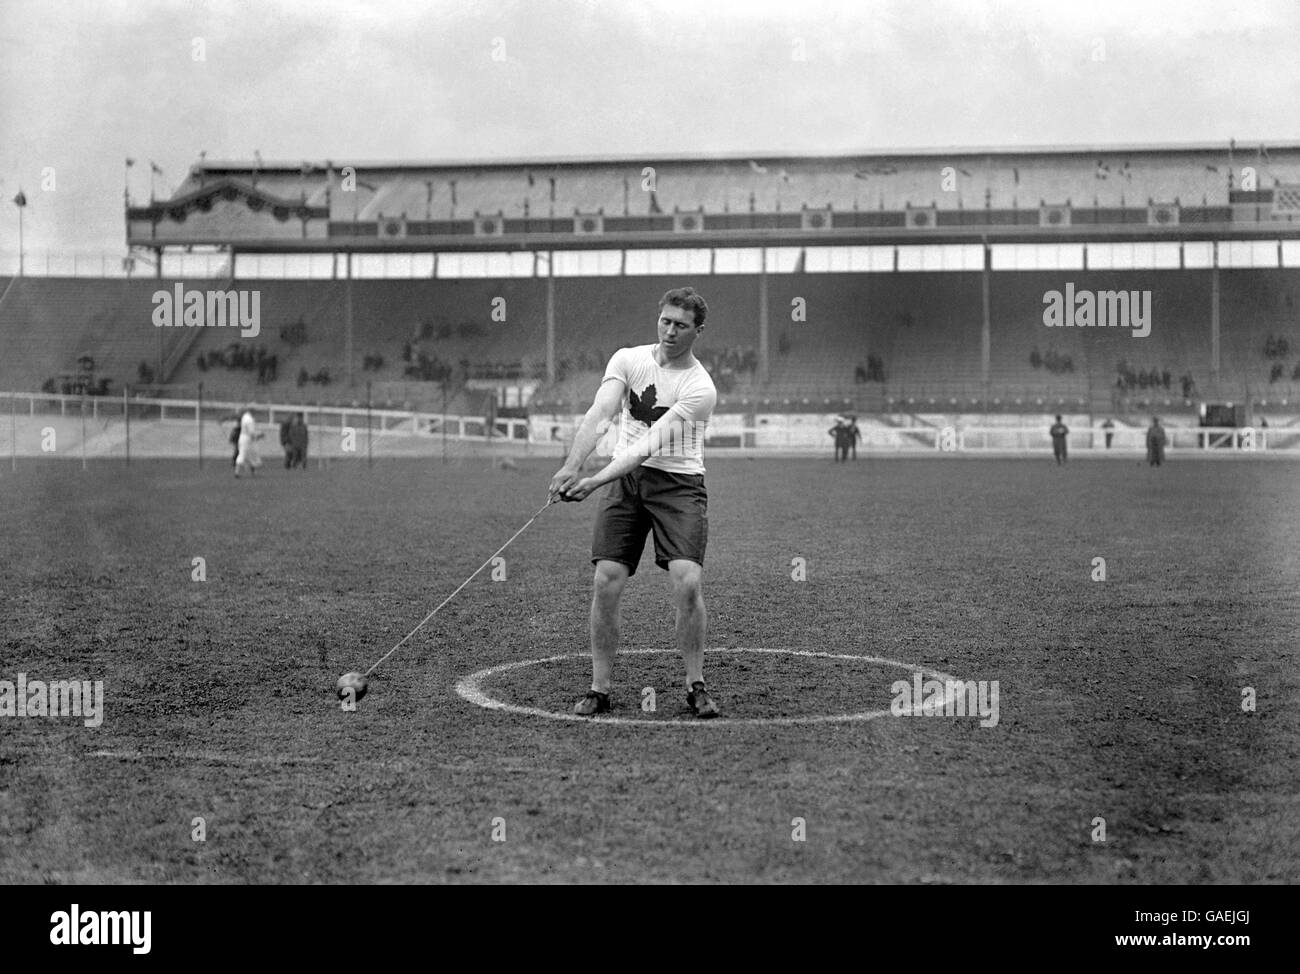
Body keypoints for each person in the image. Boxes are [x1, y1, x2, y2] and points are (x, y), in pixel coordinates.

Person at [548, 287, 719, 720]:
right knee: (606, 580)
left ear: (698, 331)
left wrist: (590, 482)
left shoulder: (699, 387)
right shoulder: (627, 359)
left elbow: (645, 448)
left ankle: (695, 684)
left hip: (678, 483)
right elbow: (600, 414)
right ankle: (599, 688)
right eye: (665, 321)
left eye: (681, 325)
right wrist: (572, 466)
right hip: (626, 484)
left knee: (687, 582)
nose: (670, 331)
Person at [234, 407, 264, 478]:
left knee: (251, 454)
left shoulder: (244, 417)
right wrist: (260, 434)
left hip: (243, 437)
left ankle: (252, 472)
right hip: (247, 439)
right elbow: (251, 432)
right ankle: (237, 472)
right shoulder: (249, 420)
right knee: (244, 454)